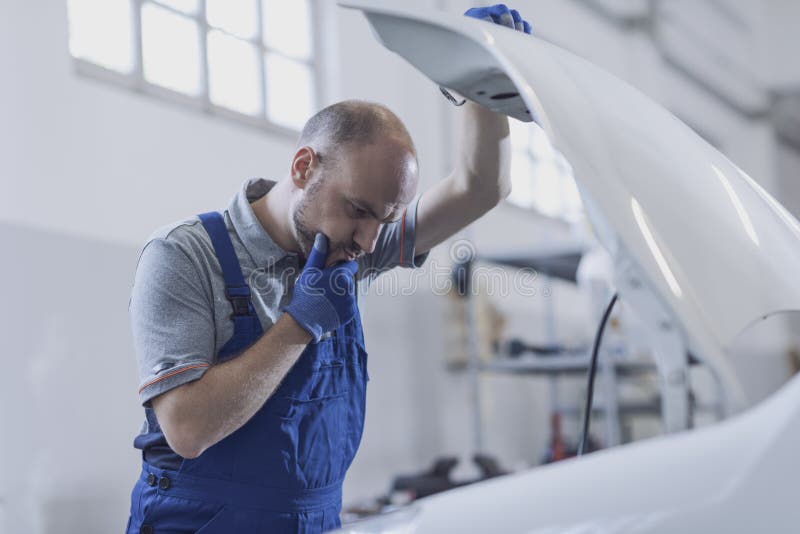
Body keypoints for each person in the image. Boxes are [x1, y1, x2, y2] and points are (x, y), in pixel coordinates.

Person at [126, 5, 532, 533]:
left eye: (383, 220)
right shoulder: (183, 256)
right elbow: (187, 427)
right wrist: (299, 326)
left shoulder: (348, 253)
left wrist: (481, 76)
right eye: (359, 211)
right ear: (303, 167)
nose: (368, 241)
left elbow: (481, 187)